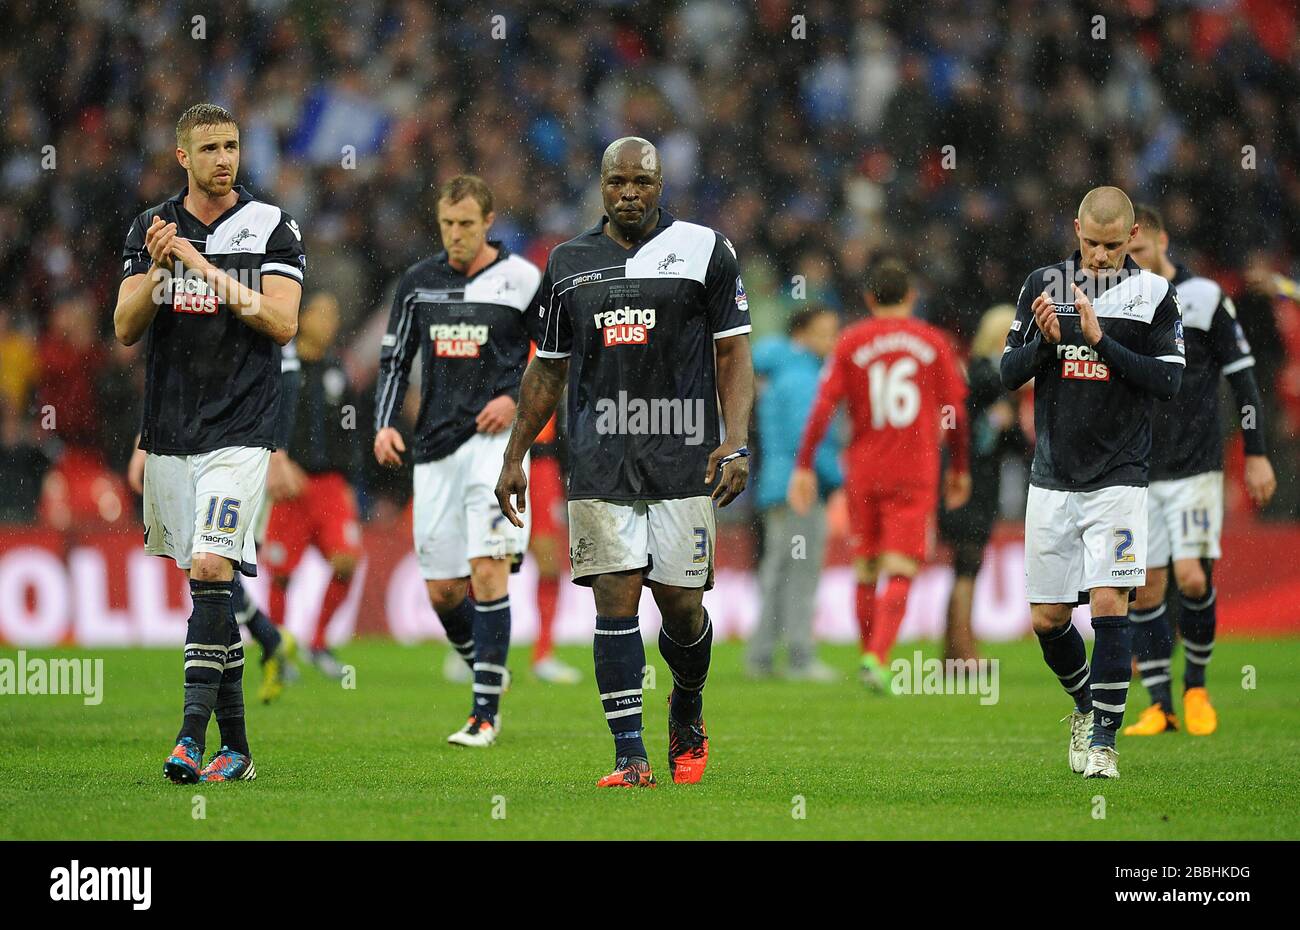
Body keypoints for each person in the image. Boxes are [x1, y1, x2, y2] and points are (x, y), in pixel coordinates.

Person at [496, 137, 754, 788]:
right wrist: (514, 454)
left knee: (679, 604)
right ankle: (629, 756)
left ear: (660, 185)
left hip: (683, 455)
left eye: (641, 181)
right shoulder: (568, 262)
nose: (629, 192)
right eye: (617, 182)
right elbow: (547, 369)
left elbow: (732, 354)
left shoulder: (706, 251)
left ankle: (686, 705)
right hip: (598, 454)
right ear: (601, 185)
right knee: (614, 598)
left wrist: (737, 439)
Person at [113, 102, 304, 783]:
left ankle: (189, 738)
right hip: (170, 433)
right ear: (182, 157)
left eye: (232, 145)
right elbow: (125, 327)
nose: (225, 158)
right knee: (208, 592)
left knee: (211, 568)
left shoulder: (271, 227)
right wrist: (164, 270)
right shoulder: (150, 228)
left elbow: (282, 322)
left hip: (241, 431)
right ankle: (240, 750)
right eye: (210, 148)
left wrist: (202, 266)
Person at [1001, 186, 1184, 779]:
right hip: (1053, 476)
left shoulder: (1155, 294)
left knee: (1110, 599)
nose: (1100, 256)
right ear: (1074, 228)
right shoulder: (1042, 285)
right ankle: (1085, 706)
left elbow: (1168, 382)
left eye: (1111, 246)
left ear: (1133, 238)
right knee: (1048, 620)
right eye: (1090, 243)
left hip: (1119, 475)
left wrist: (1101, 342)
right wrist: (1043, 347)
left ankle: (1105, 740)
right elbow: (1005, 373)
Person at [374, 175, 540, 748]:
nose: (456, 235)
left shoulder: (522, 281)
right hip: (435, 447)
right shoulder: (419, 283)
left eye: (466, 224)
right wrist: (383, 425)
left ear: (489, 221)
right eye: (447, 224)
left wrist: (514, 398)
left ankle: (484, 714)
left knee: (488, 568)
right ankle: (490, 671)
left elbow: (555, 362)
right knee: (444, 591)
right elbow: (395, 361)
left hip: (498, 448)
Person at [1123, 204, 1277, 737]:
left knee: (1190, 577)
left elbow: (1243, 379)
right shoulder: (1119, 303)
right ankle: (1159, 706)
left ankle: (1196, 690)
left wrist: (1255, 451)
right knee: (1144, 589)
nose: (1135, 263)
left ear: (1162, 240)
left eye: (1141, 251)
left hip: (1194, 467)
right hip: (1139, 469)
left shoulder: (1205, 297)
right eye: (1127, 255)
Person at [788, 259, 971, 690]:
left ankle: (869, 656)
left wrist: (803, 464)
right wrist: (960, 467)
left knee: (866, 566)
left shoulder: (850, 341)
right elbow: (956, 413)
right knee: (901, 567)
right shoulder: (934, 342)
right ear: (911, 297)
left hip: (865, 469)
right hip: (916, 468)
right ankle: (878, 656)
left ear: (870, 299)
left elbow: (823, 406)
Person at [264, 292, 363, 680]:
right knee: (282, 572)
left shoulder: (340, 371)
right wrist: (277, 461)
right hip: (290, 484)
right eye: (321, 314)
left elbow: (352, 425)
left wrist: (353, 480)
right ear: (302, 317)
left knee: (347, 560)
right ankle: (277, 652)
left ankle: (318, 642)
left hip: (330, 485)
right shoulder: (282, 365)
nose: (329, 323)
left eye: (333, 315)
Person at [748, 306, 842, 681]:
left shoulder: (780, 373)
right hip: (800, 488)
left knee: (779, 571)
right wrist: (837, 477)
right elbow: (810, 440)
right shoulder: (804, 378)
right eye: (825, 332)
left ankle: (762, 656)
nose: (832, 341)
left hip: (776, 484)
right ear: (801, 334)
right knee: (800, 574)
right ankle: (800, 657)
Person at [937, 304, 1025, 662]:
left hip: (958, 480)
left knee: (962, 567)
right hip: (974, 485)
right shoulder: (992, 379)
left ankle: (954, 650)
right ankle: (963, 652)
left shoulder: (973, 376)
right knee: (968, 568)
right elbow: (1014, 444)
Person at [527, 411, 583, 683]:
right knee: (489, 556)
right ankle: (472, 650)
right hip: (494, 452)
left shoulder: (551, 365)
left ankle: (543, 654)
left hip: (542, 460)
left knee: (548, 562)